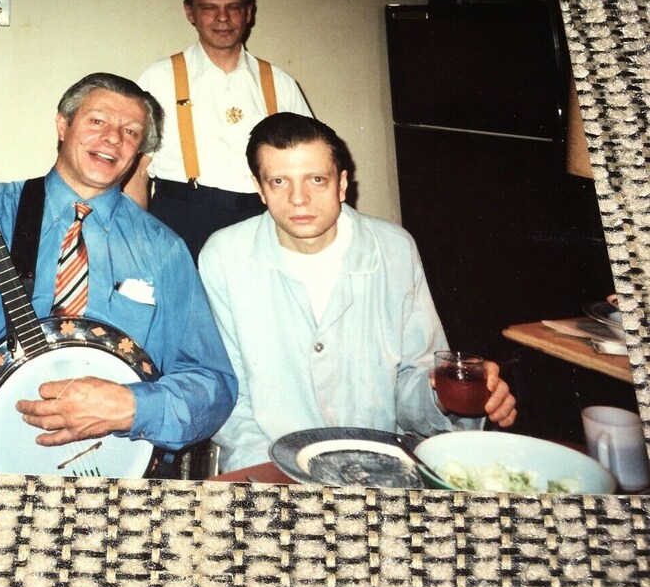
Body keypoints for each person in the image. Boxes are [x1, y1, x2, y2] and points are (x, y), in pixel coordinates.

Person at [0, 73, 236, 474]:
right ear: (63, 125)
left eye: (130, 132)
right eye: (97, 121)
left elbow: (212, 384)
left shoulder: (164, 249)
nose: (113, 138)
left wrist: (133, 406)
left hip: (120, 475)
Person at [198, 113, 517, 473]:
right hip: (272, 466)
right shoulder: (225, 256)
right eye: (279, 181)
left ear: (342, 184)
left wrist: (446, 397)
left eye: (316, 180)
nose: (298, 199)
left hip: (380, 466)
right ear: (259, 188)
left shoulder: (395, 249)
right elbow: (229, 393)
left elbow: (414, 379)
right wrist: (271, 479)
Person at [125, 0, 313, 260]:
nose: (222, 18)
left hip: (262, 217)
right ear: (190, 13)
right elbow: (137, 171)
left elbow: (309, 165)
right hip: (183, 218)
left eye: (233, 7)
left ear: (248, 12)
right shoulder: (158, 78)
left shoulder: (280, 82)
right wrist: (139, 240)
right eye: (209, 7)